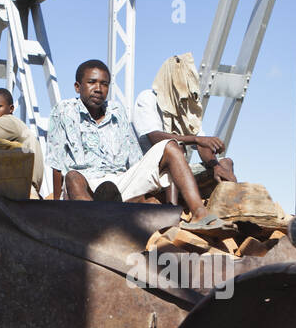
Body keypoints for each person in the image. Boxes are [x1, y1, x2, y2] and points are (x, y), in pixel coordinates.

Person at [46, 59, 211, 218]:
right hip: (86, 183)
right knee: (73, 177)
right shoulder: (63, 111)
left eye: (104, 84)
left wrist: (144, 184)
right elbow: (56, 164)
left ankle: (201, 215)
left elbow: (134, 158)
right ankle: (98, 221)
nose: (98, 88)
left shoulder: (117, 111)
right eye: (92, 82)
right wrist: (55, 209)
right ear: (77, 87)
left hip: (119, 182)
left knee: (170, 146)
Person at [132, 53, 237, 193]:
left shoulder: (186, 108)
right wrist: (195, 139)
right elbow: (154, 136)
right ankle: (174, 209)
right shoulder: (147, 99)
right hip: (150, 173)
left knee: (225, 163)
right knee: (175, 150)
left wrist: (215, 166)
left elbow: (202, 143)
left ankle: (227, 207)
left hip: (181, 173)